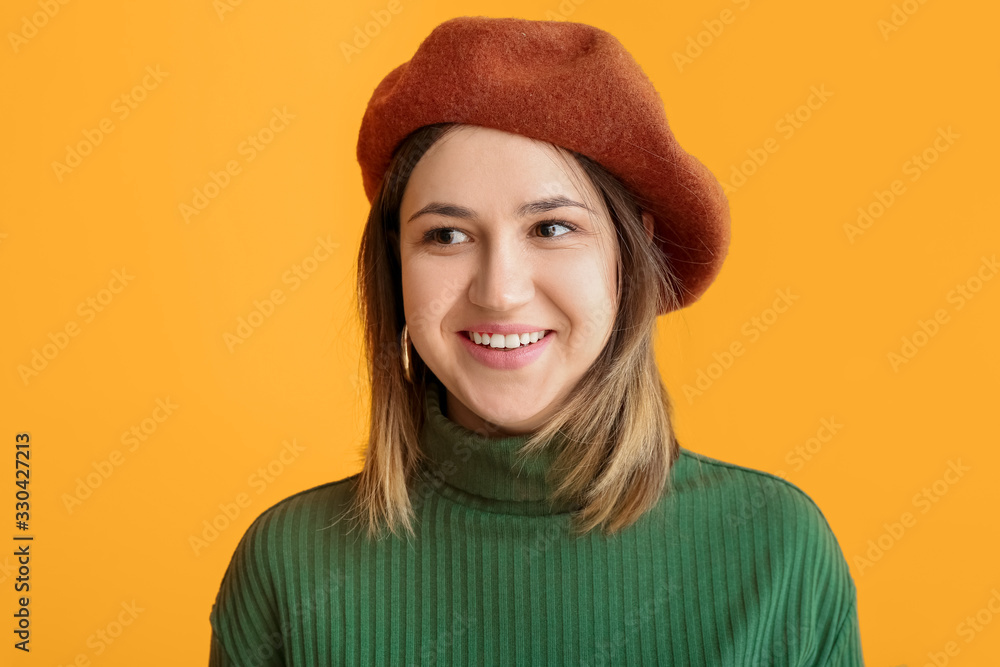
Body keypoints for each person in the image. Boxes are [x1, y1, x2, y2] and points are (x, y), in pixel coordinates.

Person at [209, 16, 863, 666]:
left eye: (551, 228)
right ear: (395, 265)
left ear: (626, 258)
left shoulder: (778, 554)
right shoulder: (287, 565)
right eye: (446, 235)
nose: (499, 291)